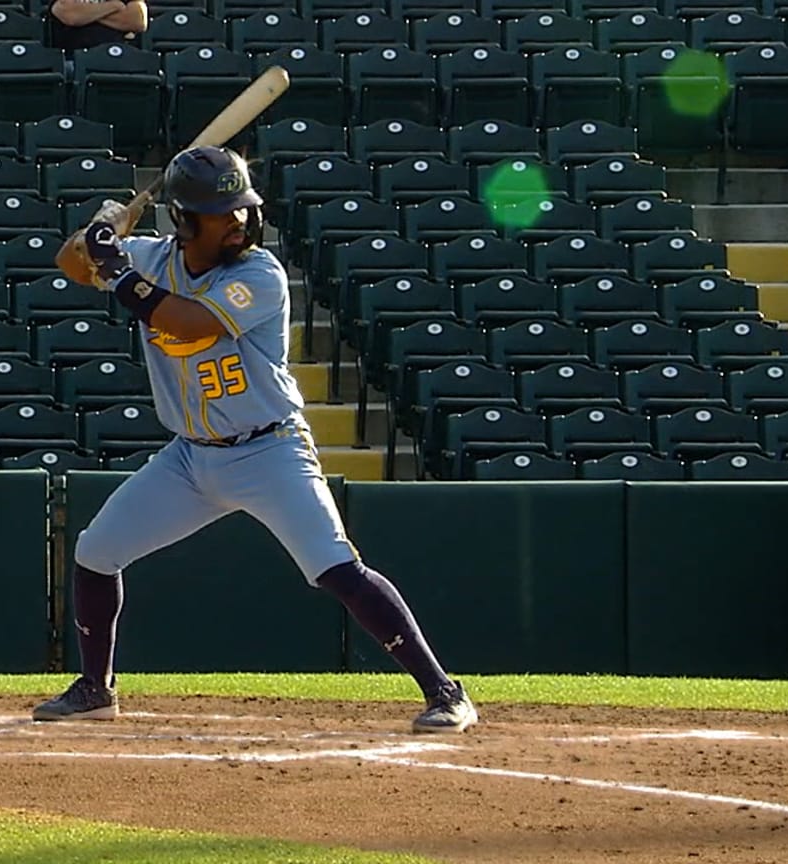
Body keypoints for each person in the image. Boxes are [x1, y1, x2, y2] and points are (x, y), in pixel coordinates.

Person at [32, 146, 479, 734]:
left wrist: (114, 266)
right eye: (223, 212)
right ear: (186, 221)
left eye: (243, 208)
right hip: (191, 457)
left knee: (335, 568)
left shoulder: (259, 273)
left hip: (270, 449)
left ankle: (445, 691)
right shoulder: (151, 259)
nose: (239, 219)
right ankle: (96, 688)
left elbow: (185, 322)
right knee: (95, 552)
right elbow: (71, 264)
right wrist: (98, 231)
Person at [46, 0, 148, 50]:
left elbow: (138, 20)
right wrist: (115, 6)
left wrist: (86, 15)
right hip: (72, 58)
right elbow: (69, 15)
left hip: (117, 55)